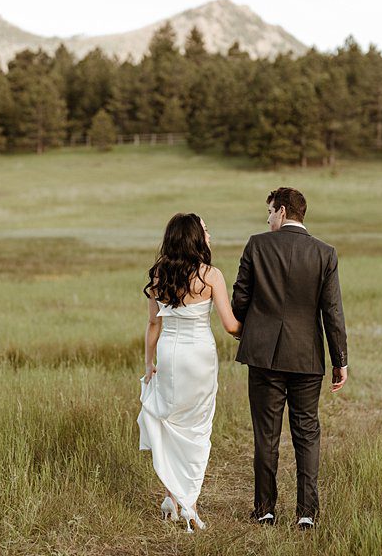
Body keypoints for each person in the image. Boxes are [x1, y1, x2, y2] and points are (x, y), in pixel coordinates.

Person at [232, 187, 348, 530]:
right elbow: (333, 311)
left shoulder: (257, 245)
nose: (267, 218)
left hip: (264, 355)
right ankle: (306, 513)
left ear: (282, 212)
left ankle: (265, 510)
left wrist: (247, 329)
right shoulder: (325, 253)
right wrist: (340, 359)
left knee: (266, 435)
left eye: (269, 211)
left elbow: (240, 297)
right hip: (307, 357)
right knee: (307, 432)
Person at [137, 213, 241, 532]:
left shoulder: (158, 275)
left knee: (170, 424)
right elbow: (230, 325)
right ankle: (188, 505)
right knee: (197, 428)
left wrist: (148, 363)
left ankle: (174, 498)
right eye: (205, 230)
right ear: (194, 237)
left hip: (169, 354)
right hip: (199, 357)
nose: (209, 234)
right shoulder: (211, 276)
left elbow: (154, 324)